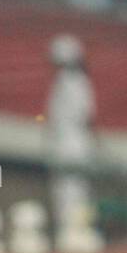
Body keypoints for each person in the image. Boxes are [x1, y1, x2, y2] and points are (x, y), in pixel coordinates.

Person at [46, 34, 96, 242]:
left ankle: (76, 233)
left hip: (72, 143)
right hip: (64, 141)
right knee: (64, 190)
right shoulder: (66, 80)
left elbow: (84, 114)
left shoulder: (75, 81)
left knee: (72, 190)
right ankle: (68, 232)